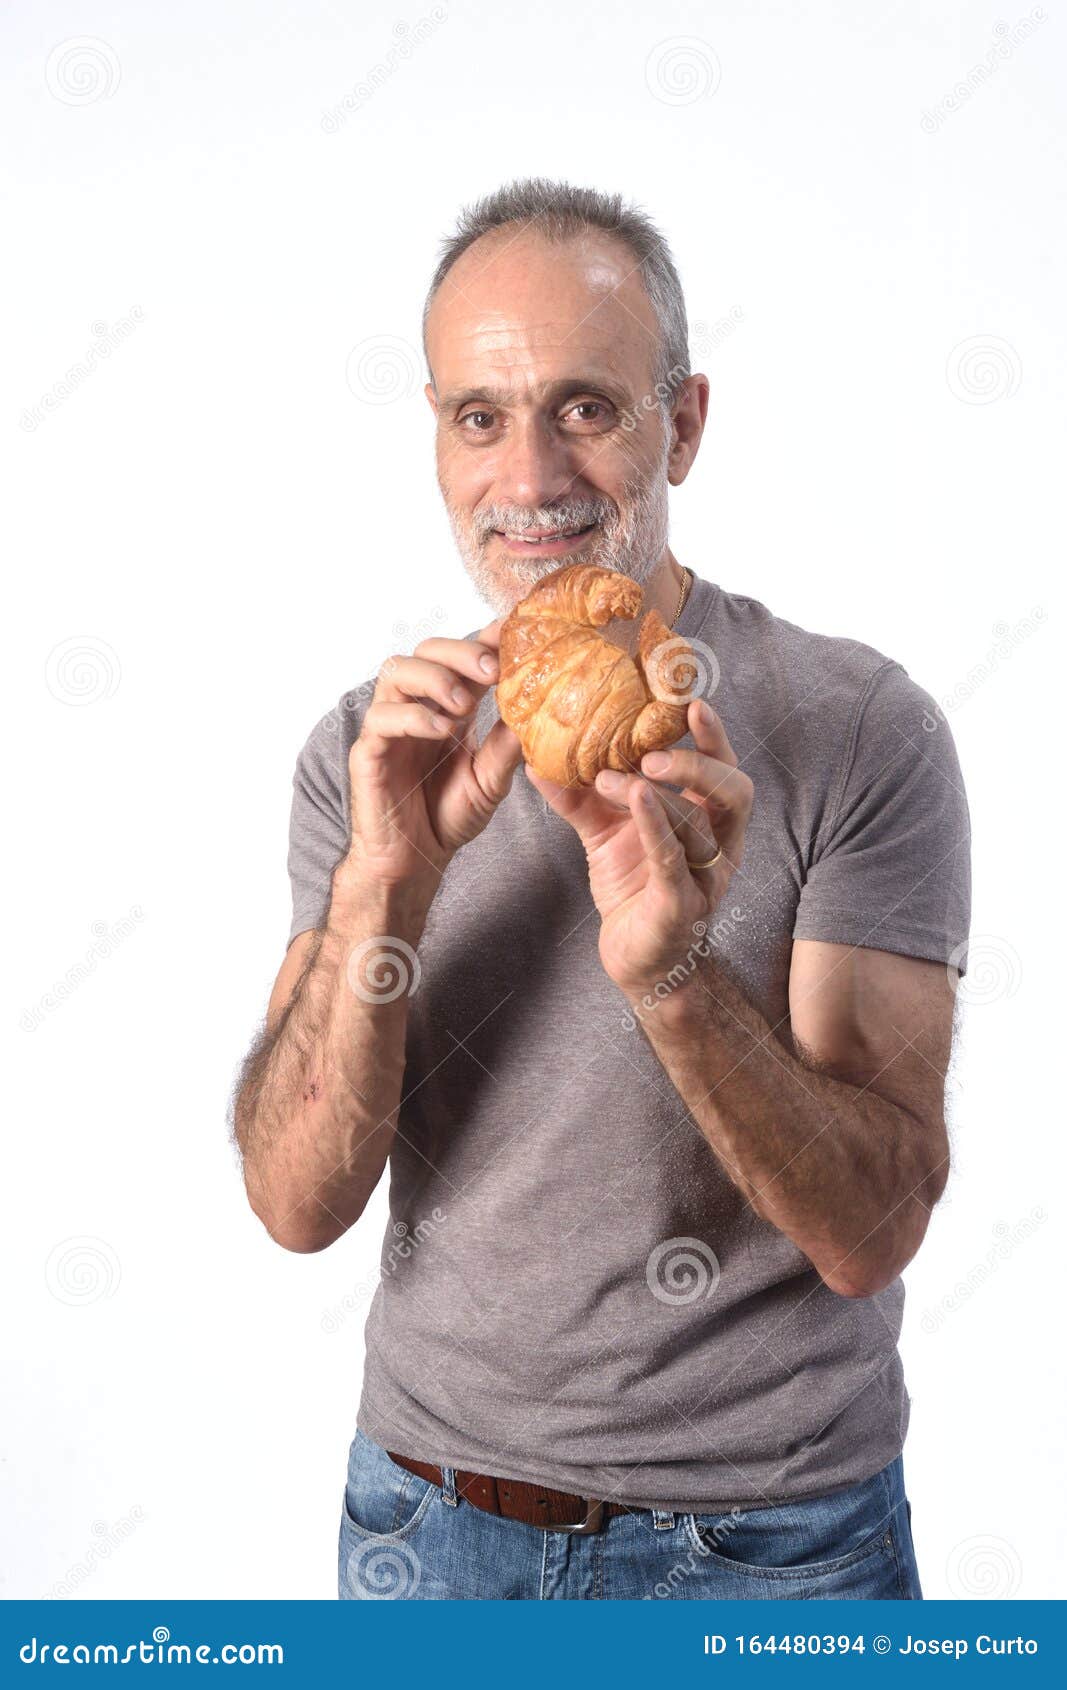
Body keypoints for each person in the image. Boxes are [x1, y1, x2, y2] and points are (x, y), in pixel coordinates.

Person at [232, 179, 971, 1601]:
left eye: (587, 406)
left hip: (781, 1545)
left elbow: (872, 1230)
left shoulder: (855, 726)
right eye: (479, 417)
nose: (528, 480)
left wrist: (674, 975)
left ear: (681, 424)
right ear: (439, 441)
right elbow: (293, 1200)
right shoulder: (369, 752)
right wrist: (387, 880)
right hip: (435, 1525)